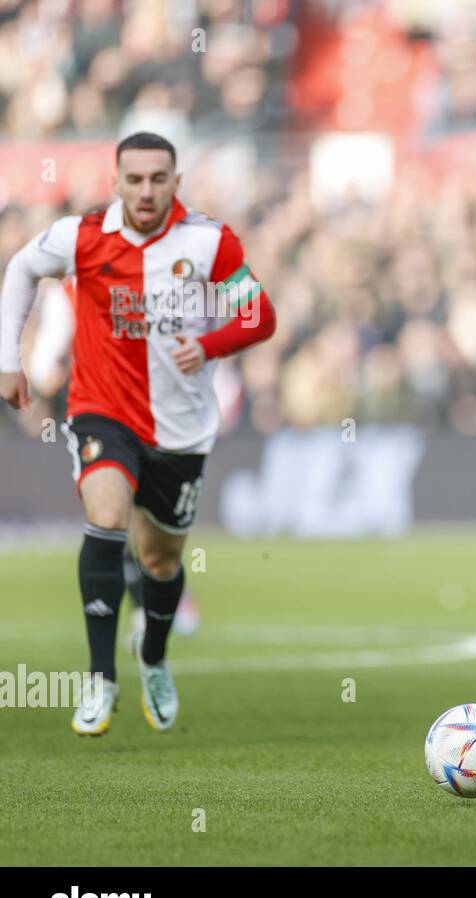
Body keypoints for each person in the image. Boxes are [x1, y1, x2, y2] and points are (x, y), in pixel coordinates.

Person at [0, 131, 277, 735]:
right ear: (116, 183)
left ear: (176, 182)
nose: (146, 191)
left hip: (181, 430)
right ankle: (101, 679)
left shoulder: (209, 242)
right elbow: (21, 268)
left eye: (157, 179)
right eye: (135, 179)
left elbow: (259, 315)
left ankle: (153, 656)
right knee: (106, 516)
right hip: (101, 410)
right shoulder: (83, 237)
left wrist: (208, 345)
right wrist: (8, 361)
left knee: (159, 558)